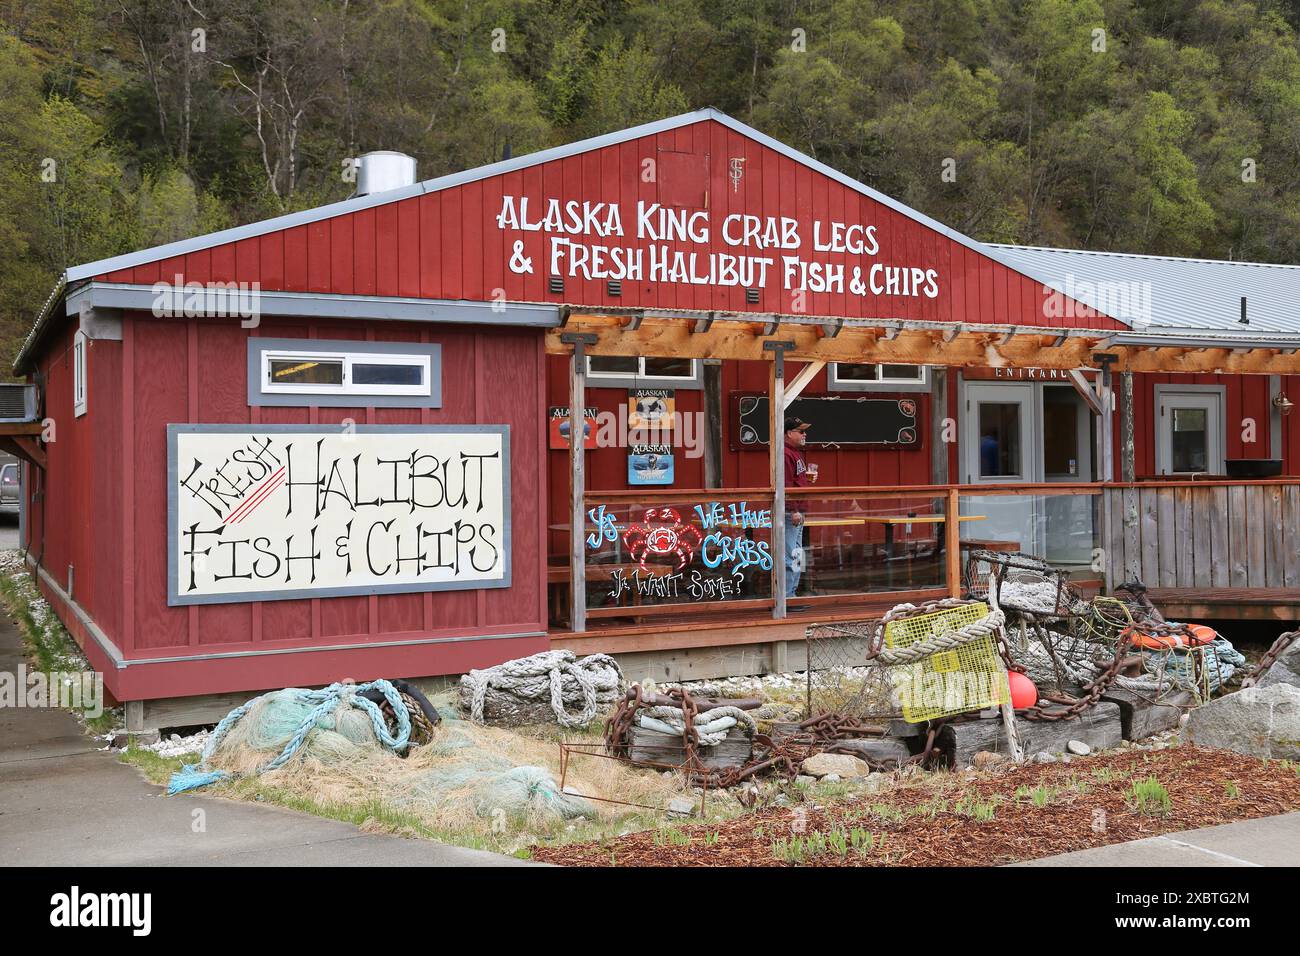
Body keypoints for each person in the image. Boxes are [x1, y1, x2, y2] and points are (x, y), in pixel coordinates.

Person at [782, 416, 817, 599]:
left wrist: (806, 479)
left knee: (797, 554)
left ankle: (792, 594)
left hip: (798, 512)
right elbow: (786, 486)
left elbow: (794, 481)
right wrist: (794, 510)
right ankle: (787, 597)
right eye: (801, 431)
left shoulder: (795, 453)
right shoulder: (785, 453)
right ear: (789, 433)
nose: (805, 434)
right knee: (790, 555)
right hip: (791, 513)